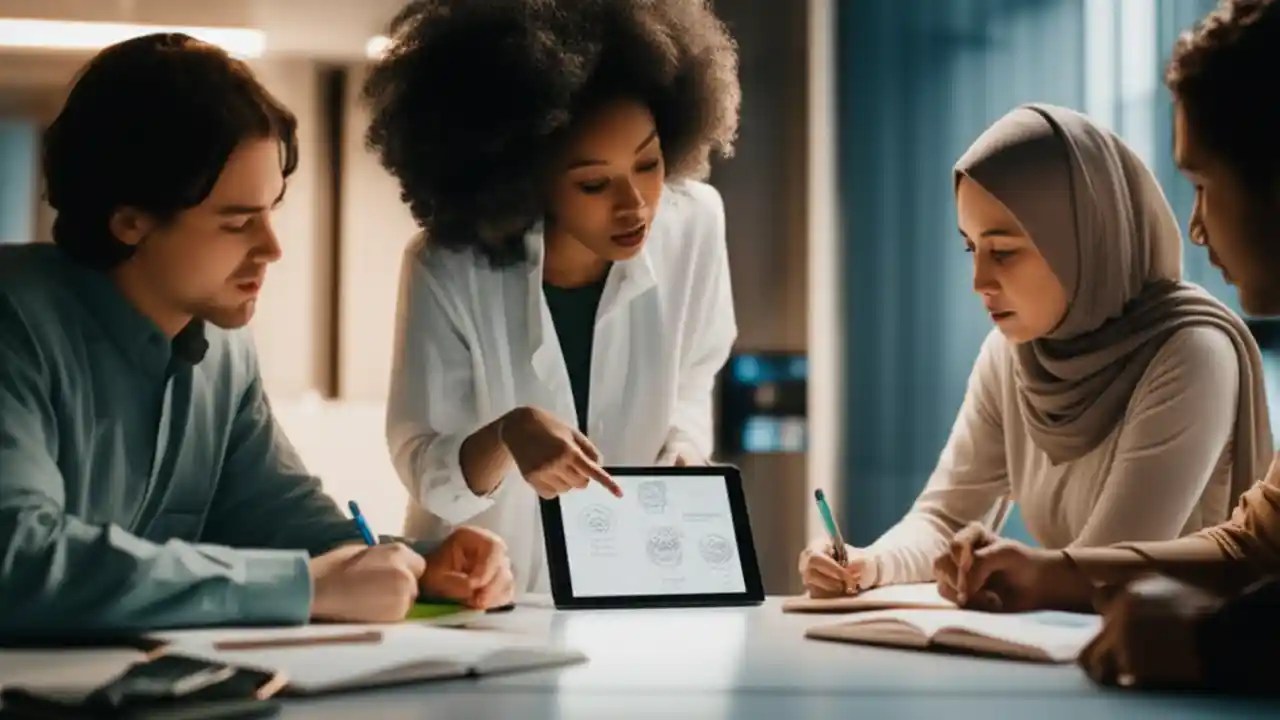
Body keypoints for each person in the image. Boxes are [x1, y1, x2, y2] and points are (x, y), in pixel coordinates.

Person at [0, 34, 513, 637]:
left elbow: (287, 523)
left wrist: (419, 565)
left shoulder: (222, 351)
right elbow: (20, 562)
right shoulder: (17, 322)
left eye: (272, 210)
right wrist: (308, 586)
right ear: (131, 220)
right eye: (238, 222)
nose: (272, 248)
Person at [933, 0, 1280, 692]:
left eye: (1205, 184)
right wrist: (1049, 573)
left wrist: (1214, 643)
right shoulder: (1010, 355)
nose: (1198, 228)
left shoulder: (1189, 349)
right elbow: (1257, 549)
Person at [800, 103, 1272, 599]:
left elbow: (1109, 565)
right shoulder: (1013, 353)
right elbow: (946, 517)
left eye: (1002, 251)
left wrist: (1003, 573)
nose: (979, 281)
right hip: (1075, 649)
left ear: (1083, 240)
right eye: (971, 248)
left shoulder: (1191, 352)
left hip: (1170, 663)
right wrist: (867, 564)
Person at [365, 0, 741, 592]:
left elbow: (695, 373)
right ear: (525, 174)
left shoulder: (693, 224)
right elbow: (424, 466)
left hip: (628, 584)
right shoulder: (447, 267)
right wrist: (506, 436)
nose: (635, 205)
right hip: (486, 591)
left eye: (648, 164)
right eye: (594, 183)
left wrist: (685, 453)